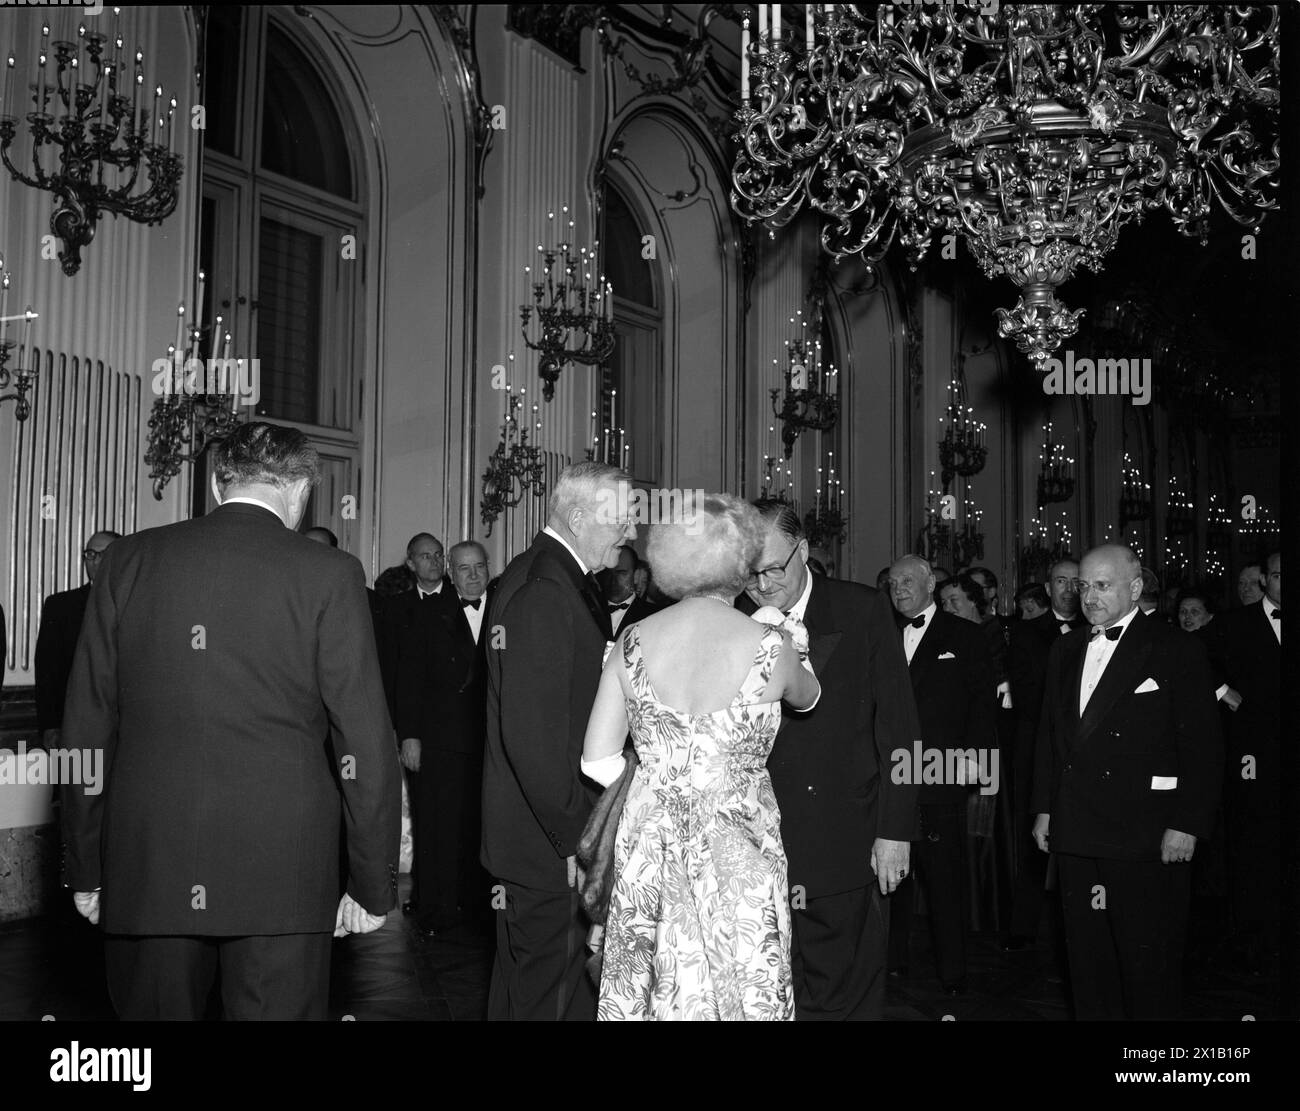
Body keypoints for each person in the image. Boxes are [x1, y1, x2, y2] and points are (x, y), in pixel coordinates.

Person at [60, 422, 401, 1020]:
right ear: (300, 493)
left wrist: (84, 865)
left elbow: (84, 727)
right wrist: (373, 882)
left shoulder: (126, 560)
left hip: (149, 862)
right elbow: (365, 741)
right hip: (282, 866)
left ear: (218, 484)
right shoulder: (330, 574)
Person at [583, 494, 820, 1019]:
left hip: (651, 846)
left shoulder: (633, 641)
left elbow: (595, 763)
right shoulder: (769, 644)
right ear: (742, 560)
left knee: (656, 987)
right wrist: (787, 636)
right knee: (741, 987)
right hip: (740, 847)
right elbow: (810, 697)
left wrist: (660, 782)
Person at [737, 501, 921, 1019]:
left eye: (774, 568)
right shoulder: (732, 617)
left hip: (846, 837)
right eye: (749, 573)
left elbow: (900, 728)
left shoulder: (862, 610)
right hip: (760, 844)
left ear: (803, 551)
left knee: (845, 996)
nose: (763, 585)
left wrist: (895, 830)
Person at [1031, 545, 1222, 1020]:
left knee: (1147, 964)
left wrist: (1188, 823)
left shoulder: (1177, 647)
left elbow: (1202, 746)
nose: (1089, 596)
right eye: (1083, 585)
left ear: (1135, 589)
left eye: (1102, 585)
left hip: (1146, 832)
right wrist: (1045, 807)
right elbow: (1049, 737)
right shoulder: (1066, 648)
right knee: (1087, 962)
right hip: (1077, 827)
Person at [481, 461, 637, 1021]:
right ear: (577, 516)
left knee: (528, 994)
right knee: (548, 999)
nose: (631, 533)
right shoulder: (547, 590)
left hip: (538, 838)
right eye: (621, 519)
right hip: (549, 845)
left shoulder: (550, 575)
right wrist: (578, 839)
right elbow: (531, 739)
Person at [887, 555, 995, 994]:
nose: (899, 589)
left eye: (908, 581)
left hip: (942, 770)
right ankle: (893, 960)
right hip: (891, 772)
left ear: (930, 583)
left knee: (944, 875)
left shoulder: (965, 636)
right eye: (893, 583)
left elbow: (982, 707)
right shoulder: (881, 634)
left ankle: (953, 969)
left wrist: (978, 762)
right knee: (892, 875)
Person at [393, 540, 493, 937]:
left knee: (481, 829)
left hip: (489, 743)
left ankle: (480, 911)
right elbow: (409, 681)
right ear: (451, 572)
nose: (472, 575)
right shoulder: (429, 614)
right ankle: (436, 911)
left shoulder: (506, 612)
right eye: (464, 568)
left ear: (488, 569)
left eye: (479, 567)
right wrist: (410, 737)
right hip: (439, 741)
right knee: (438, 829)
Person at [1004, 559, 1085, 952]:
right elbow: (1029, 699)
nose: (1068, 588)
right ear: (1047, 589)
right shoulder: (1025, 634)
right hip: (1036, 748)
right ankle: (1024, 925)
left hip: (1085, 752)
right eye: (1060, 581)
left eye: (1075, 581)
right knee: (1032, 838)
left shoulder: (1096, 631)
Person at [1207, 551, 1280, 973]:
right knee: (1252, 848)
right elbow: (1192, 653)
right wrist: (1222, 691)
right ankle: (1251, 941)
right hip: (1251, 754)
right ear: (1266, 580)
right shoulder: (1236, 623)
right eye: (1275, 575)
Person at [35, 530, 121, 750]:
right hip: (73, 727)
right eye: (90, 554)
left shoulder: (137, 604)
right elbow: (47, 671)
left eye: (104, 554)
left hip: (123, 730)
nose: (95, 561)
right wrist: (50, 726)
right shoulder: (60, 606)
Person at [597, 545, 658, 636]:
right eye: (608, 573)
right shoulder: (589, 608)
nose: (614, 580)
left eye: (621, 573)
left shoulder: (654, 616)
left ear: (636, 576)